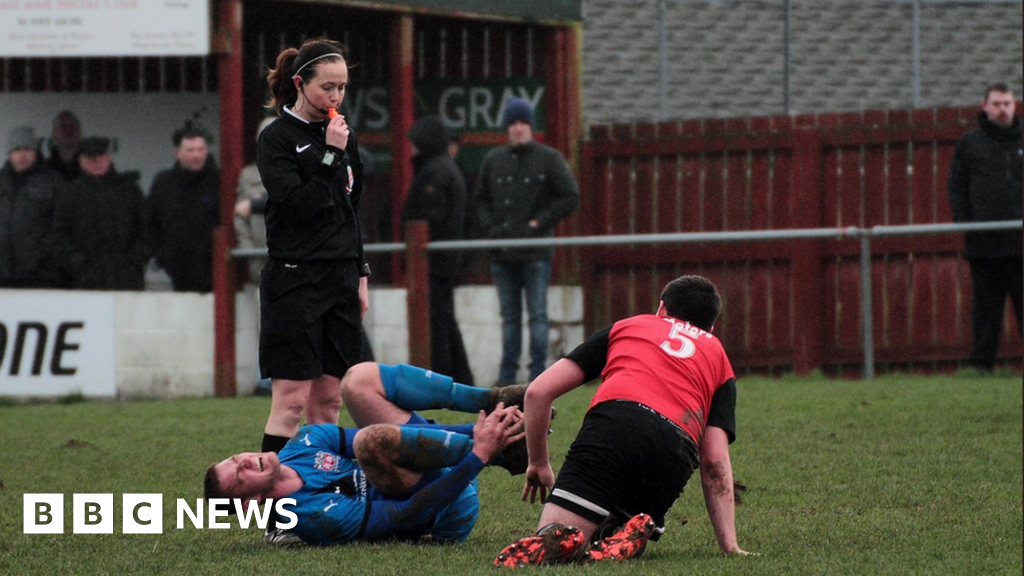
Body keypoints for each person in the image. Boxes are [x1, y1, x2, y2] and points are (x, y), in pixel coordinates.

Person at [494, 275, 752, 567]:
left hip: (615, 424)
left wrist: (538, 463)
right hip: (674, 448)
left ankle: (573, 535)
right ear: (712, 326)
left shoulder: (631, 326)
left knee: (555, 538)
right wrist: (730, 546)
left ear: (661, 309)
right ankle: (617, 532)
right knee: (625, 520)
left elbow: (538, 393)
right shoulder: (718, 356)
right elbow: (715, 462)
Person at [204, 362, 531, 546]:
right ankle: (498, 449)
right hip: (446, 508)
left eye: (235, 459)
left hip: (428, 462)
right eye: (240, 474)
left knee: (357, 381)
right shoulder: (314, 519)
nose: (244, 460)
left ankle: (491, 400)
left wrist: (481, 431)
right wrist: (479, 455)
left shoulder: (306, 441)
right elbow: (410, 514)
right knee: (369, 445)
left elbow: (402, 438)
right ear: (250, 504)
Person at [255, 38, 369, 457]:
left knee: (330, 401)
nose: (335, 98)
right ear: (300, 84)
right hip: (294, 278)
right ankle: (271, 509)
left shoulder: (343, 135)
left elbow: (350, 211)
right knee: (291, 401)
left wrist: (361, 274)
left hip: (339, 277)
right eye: (327, 88)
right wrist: (331, 156)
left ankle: (320, 498)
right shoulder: (277, 138)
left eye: (342, 88)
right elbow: (300, 204)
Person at [474, 96, 580, 387]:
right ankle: (507, 378)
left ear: (531, 126)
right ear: (506, 128)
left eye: (523, 122)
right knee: (509, 319)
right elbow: (480, 200)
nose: (518, 128)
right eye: (512, 123)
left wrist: (539, 223)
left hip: (535, 253)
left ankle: (538, 377)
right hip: (501, 254)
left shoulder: (549, 158)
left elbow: (571, 197)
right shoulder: (493, 160)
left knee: (537, 316)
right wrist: (491, 228)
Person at [947, 82, 1023, 373]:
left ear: (1014, 105)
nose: (1002, 109)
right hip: (984, 245)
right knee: (986, 310)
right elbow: (957, 186)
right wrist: (967, 224)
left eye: (1007, 103)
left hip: (1021, 243)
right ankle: (980, 365)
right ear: (984, 106)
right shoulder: (970, 143)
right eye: (996, 104)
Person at [403, 115, 474, 385]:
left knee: (437, 325)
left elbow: (429, 217)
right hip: (441, 261)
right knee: (444, 321)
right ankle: (459, 378)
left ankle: (442, 377)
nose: (411, 148)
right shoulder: (442, 168)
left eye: (415, 143)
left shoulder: (436, 172)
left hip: (433, 262)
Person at [52, 137, 147, 290]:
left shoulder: (129, 190)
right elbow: (59, 234)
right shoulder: (70, 193)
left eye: (101, 157)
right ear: (81, 161)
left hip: (127, 279)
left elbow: (148, 228)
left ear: (108, 158)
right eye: (91, 158)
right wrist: (76, 262)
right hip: (85, 281)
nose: (97, 162)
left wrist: (135, 259)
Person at [146, 125, 220, 292]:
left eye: (201, 149)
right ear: (178, 153)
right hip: (174, 272)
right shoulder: (163, 183)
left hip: (214, 272)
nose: (196, 155)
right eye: (190, 150)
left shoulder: (219, 182)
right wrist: (163, 257)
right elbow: (151, 223)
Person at [0, 126, 61, 289]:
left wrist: (42, 254)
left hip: (40, 274)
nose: (22, 154)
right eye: (17, 149)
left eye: (27, 149)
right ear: (9, 154)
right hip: (4, 273)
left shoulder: (52, 181)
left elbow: (61, 224)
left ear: (35, 151)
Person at [46, 110, 83, 181]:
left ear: (80, 133)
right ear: (54, 134)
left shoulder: (93, 168)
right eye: (63, 126)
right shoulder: (44, 169)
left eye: (72, 125)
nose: (68, 130)